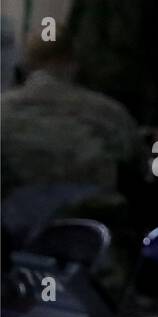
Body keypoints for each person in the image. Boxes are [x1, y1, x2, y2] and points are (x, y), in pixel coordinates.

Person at [0, 28, 140, 249]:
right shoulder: (108, 111)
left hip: (17, 236)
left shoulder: (3, 109)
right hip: (94, 234)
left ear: (26, 65)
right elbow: (137, 165)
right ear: (72, 62)